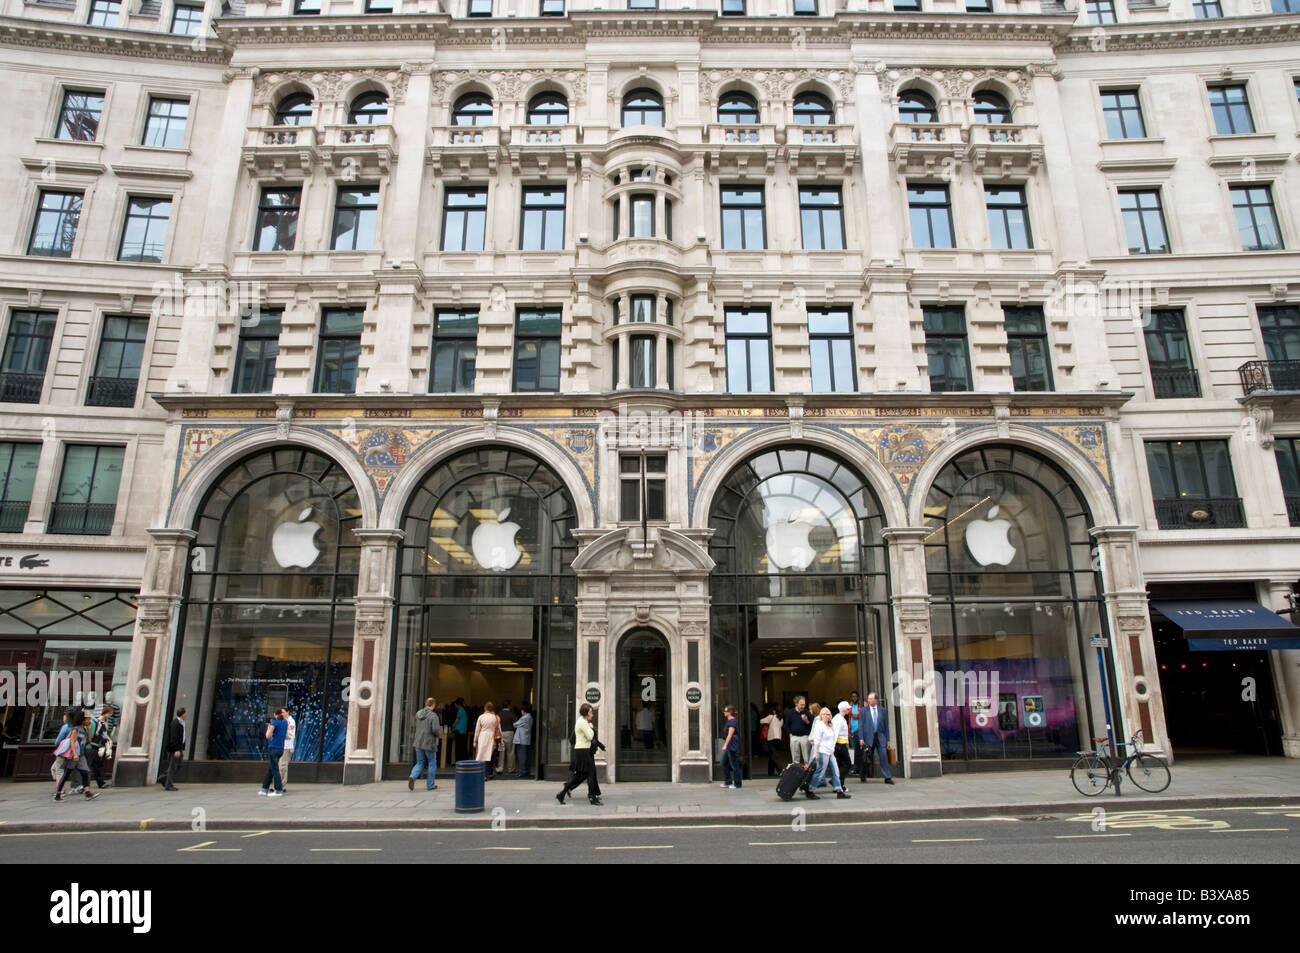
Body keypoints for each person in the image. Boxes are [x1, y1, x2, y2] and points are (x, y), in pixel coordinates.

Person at [556, 702, 601, 805]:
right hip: (582, 751)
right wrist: (592, 728)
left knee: (582, 775)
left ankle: (562, 793)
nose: (592, 714)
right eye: (590, 712)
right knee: (589, 773)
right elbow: (590, 736)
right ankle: (592, 797)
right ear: (586, 713)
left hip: (583, 750)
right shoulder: (582, 722)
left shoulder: (582, 721)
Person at [53, 710, 99, 802]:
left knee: (85, 772)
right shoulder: (75, 729)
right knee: (66, 774)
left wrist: (89, 729)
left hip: (81, 755)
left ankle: (87, 793)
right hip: (75, 755)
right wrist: (74, 754)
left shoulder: (84, 729)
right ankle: (58, 794)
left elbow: (89, 741)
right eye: (87, 719)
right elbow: (72, 742)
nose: (89, 721)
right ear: (82, 720)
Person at [808, 706, 850, 800]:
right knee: (820, 772)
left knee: (836, 771)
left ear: (830, 716)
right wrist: (815, 753)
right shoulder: (819, 725)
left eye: (827, 714)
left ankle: (839, 790)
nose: (825, 716)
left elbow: (833, 738)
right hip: (822, 751)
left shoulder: (830, 726)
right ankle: (810, 790)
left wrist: (832, 728)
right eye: (823, 714)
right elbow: (817, 741)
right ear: (820, 715)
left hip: (830, 752)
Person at [857, 691, 894, 785]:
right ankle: (863, 775)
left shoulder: (882, 710)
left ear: (876, 700)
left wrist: (888, 739)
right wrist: (861, 738)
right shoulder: (863, 710)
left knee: (883, 756)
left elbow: (886, 726)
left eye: (871, 699)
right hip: (868, 737)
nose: (869, 700)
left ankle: (887, 777)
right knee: (867, 757)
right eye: (868, 699)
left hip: (880, 737)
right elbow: (860, 725)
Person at [409, 697, 441, 791]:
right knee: (432, 763)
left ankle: (412, 776)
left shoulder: (418, 713)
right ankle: (430, 785)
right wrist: (438, 735)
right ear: (433, 705)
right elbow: (435, 729)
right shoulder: (433, 716)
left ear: (426, 704)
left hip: (418, 741)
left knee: (420, 762)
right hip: (429, 743)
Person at [260, 708, 288, 796]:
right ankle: (265, 788)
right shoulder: (285, 722)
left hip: (273, 747)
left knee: (275, 769)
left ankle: (278, 789)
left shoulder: (275, 723)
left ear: (275, 715)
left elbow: (268, 736)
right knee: (271, 768)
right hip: (281, 748)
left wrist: (269, 727)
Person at [85, 706, 113, 789]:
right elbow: (100, 733)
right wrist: (108, 738)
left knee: (96, 764)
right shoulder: (99, 721)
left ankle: (96, 782)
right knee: (95, 764)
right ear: (105, 712)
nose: (110, 715)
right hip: (94, 745)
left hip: (99, 745)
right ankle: (97, 783)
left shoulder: (105, 721)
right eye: (109, 713)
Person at [160, 707, 186, 791]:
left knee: (179, 764)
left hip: (179, 748)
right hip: (175, 749)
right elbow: (174, 738)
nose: (187, 714)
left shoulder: (181, 723)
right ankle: (168, 785)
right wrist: (176, 750)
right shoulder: (175, 723)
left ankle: (164, 778)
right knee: (173, 766)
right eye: (186, 713)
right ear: (183, 714)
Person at [785, 696, 813, 766]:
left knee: (807, 757)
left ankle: (808, 772)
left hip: (805, 736)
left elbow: (812, 725)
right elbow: (786, 725)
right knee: (795, 758)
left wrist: (806, 721)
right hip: (794, 736)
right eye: (801, 704)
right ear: (796, 704)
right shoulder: (790, 712)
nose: (803, 706)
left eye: (804, 704)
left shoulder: (807, 712)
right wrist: (789, 733)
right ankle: (796, 772)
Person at [474, 701, 499, 781]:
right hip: (491, 736)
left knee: (481, 754)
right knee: (489, 756)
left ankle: (480, 774)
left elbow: (477, 729)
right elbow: (497, 728)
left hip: (483, 735)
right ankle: (487, 774)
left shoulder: (481, 717)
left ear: (485, 708)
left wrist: (475, 740)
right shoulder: (494, 717)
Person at [719, 705, 742, 789]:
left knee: (734, 765)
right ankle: (728, 781)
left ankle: (737, 783)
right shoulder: (729, 721)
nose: (724, 712)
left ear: (729, 712)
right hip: (729, 745)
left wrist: (725, 745)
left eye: (725, 711)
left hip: (732, 745)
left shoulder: (733, 721)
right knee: (723, 762)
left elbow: (730, 734)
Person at [760, 704, 784, 776]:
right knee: (772, 754)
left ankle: (781, 770)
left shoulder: (771, 717)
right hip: (779, 738)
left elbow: (761, 721)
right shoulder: (781, 718)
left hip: (771, 738)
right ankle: (770, 772)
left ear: (774, 711)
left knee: (773, 756)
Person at [833, 701, 853, 784]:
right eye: (848, 708)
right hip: (839, 745)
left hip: (841, 744)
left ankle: (838, 782)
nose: (849, 710)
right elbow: (835, 733)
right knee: (847, 764)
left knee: (841, 764)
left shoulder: (840, 718)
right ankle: (838, 781)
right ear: (844, 709)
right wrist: (833, 746)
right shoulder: (839, 719)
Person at [513, 702, 534, 778]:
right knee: (527, 756)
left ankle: (522, 771)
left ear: (523, 711)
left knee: (522, 756)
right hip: (527, 739)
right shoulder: (530, 717)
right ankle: (526, 771)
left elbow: (515, 724)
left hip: (521, 739)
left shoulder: (524, 717)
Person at [279, 706, 296, 791]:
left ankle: (282, 785)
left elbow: (290, 732)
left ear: (287, 712)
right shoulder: (283, 721)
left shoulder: (291, 721)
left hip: (287, 746)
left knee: (283, 766)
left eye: (283, 712)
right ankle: (279, 784)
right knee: (280, 765)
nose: (282, 714)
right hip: (283, 745)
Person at [498, 700, 516, 776]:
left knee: (501, 752)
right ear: (509, 706)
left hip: (501, 733)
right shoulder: (512, 714)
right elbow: (515, 725)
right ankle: (510, 769)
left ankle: (500, 768)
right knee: (510, 751)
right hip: (510, 733)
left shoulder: (499, 714)